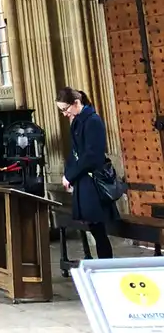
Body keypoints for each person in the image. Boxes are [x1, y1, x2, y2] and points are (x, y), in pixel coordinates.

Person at [57, 86, 117, 258]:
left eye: (65, 109)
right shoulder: (77, 121)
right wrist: (67, 174)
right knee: (94, 228)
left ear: (76, 103)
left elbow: (92, 156)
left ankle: (105, 266)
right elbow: (74, 152)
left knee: (98, 230)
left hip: (93, 182)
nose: (64, 114)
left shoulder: (93, 121)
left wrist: (71, 175)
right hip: (83, 181)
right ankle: (100, 265)